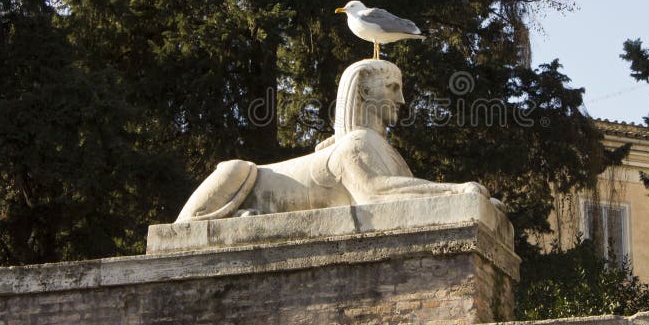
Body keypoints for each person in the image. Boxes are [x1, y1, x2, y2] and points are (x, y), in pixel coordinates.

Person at [176, 60, 493, 222]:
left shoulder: (379, 147)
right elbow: (376, 195)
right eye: (393, 88)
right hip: (251, 187)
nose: (403, 98)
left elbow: (402, 192)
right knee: (237, 168)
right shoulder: (355, 144)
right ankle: (200, 221)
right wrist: (458, 191)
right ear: (367, 91)